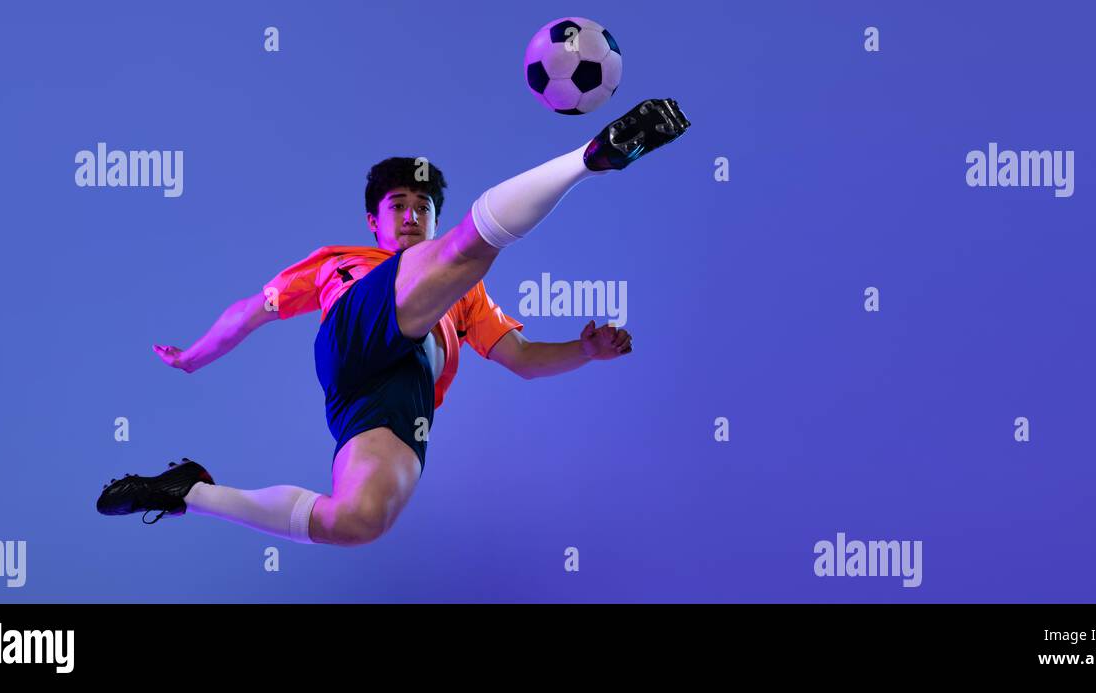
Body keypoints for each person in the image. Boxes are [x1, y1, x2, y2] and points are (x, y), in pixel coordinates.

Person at [97, 98, 690, 547]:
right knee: (469, 250)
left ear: (434, 219)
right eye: (397, 207)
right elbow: (251, 311)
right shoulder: (339, 262)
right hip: (354, 346)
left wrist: (585, 351)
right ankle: (588, 160)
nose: (410, 216)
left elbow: (525, 361)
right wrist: (194, 355)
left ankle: (189, 491)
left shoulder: (465, 293)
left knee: (358, 522)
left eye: (423, 208)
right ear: (372, 222)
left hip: (400, 392)